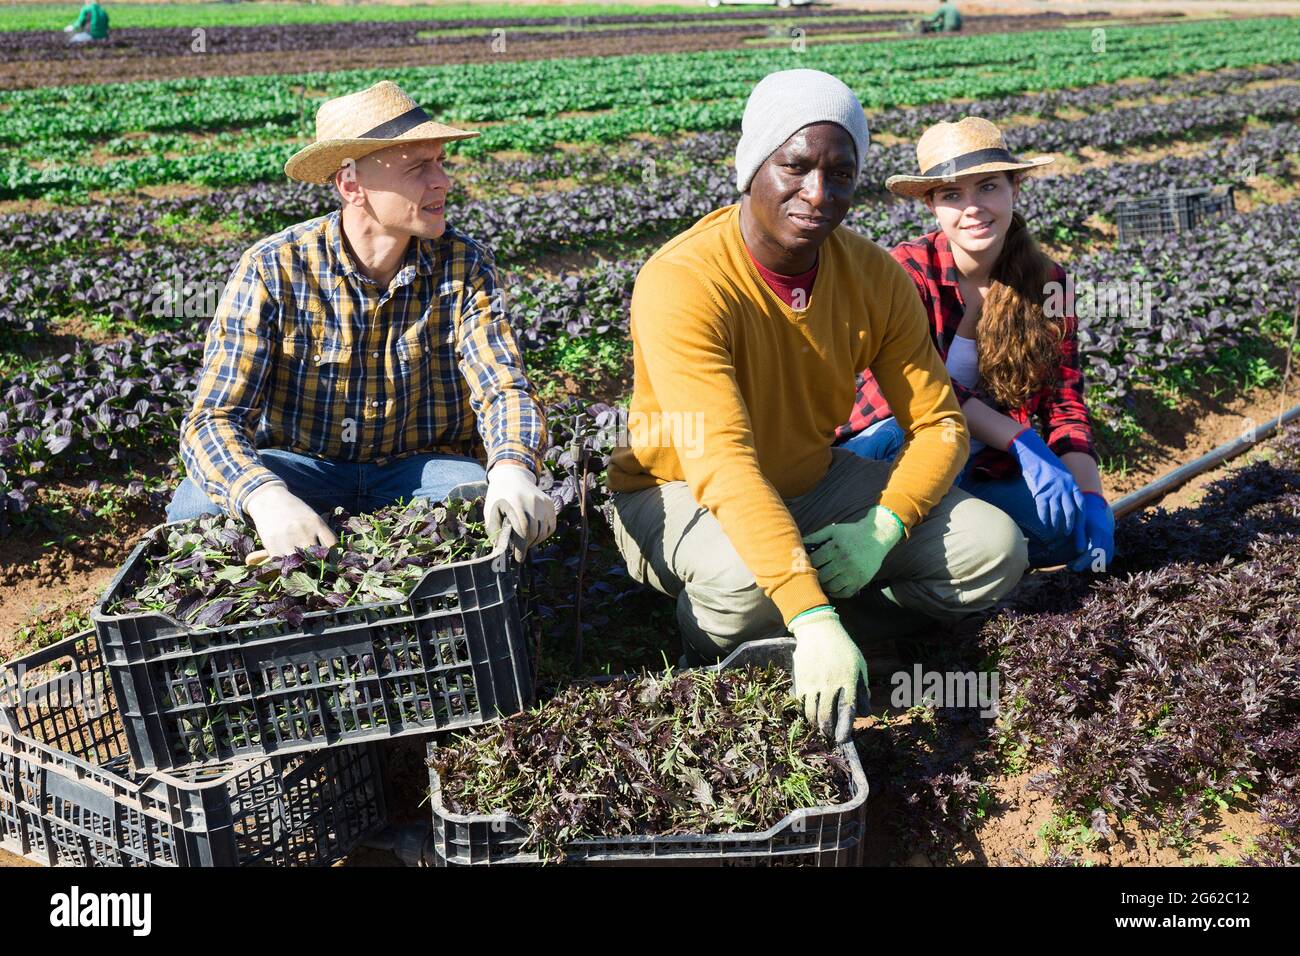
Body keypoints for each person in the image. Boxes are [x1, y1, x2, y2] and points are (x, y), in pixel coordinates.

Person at [607, 70, 1028, 741]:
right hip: (677, 489)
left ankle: (815, 632)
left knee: (993, 548)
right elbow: (722, 461)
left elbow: (940, 422)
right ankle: (735, 634)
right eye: (795, 166)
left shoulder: (872, 276)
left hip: (807, 477)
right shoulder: (683, 281)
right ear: (753, 167)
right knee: (745, 583)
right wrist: (811, 613)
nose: (817, 193)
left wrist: (884, 527)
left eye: (840, 173)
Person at [167, 81, 556, 561]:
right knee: (195, 507)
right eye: (419, 168)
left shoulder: (465, 264)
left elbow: (504, 387)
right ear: (351, 185)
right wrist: (265, 497)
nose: (443, 182)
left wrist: (512, 467)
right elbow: (213, 418)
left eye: (441, 163)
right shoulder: (273, 267)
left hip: (419, 472)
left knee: (480, 498)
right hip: (303, 467)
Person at [838, 116, 1115, 575]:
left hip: (980, 459)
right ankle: (902, 566)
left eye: (987, 187)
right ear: (932, 205)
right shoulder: (905, 273)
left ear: (1015, 189)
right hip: (894, 442)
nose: (973, 208)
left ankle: (941, 557)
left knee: (1064, 531)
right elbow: (920, 385)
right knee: (909, 447)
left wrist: (1092, 498)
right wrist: (1023, 441)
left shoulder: (1048, 282)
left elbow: (1066, 400)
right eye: (952, 195)